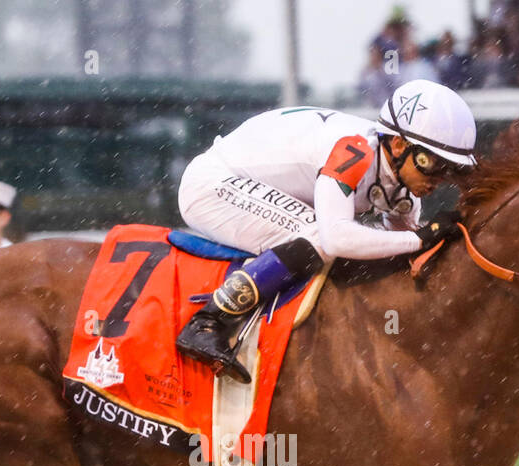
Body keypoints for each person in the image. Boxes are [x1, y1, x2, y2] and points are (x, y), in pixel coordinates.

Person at [175, 79, 477, 382]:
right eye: (433, 164)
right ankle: (208, 321)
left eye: (451, 170)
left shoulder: (403, 193)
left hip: (251, 184)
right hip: (212, 184)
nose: (440, 179)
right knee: (318, 235)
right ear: (398, 145)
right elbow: (335, 238)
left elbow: (404, 255)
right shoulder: (354, 150)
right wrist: (421, 236)